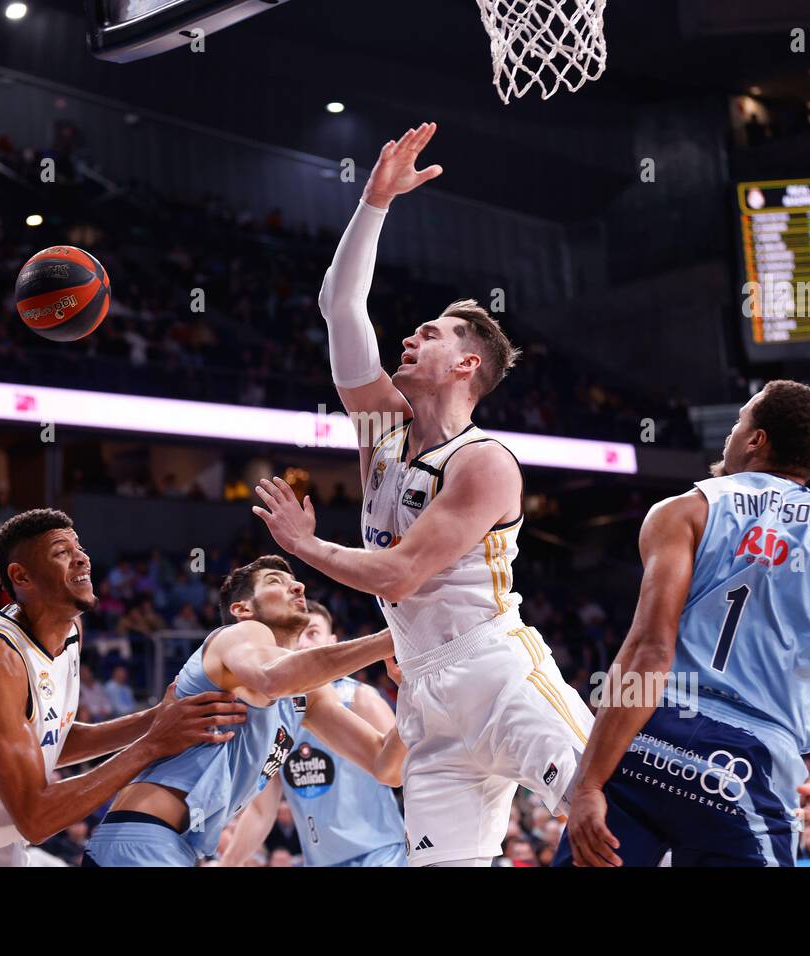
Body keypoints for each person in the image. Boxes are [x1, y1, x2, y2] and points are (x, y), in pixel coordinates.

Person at [252, 123, 594, 867]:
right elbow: (340, 307)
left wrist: (307, 547)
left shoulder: (485, 463)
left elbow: (401, 573)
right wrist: (374, 202)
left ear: (467, 363)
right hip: (427, 698)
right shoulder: (382, 431)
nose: (408, 339)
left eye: (428, 334)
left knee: (609, 822)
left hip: (499, 673)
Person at [560, 381, 810, 866]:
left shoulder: (685, 511)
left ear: (755, 440)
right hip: (748, 766)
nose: (731, 435)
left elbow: (648, 649)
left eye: (737, 423)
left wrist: (591, 782)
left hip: (649, 737)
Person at [0, 508, 246, 866]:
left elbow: (49, 741)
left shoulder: (70, 632)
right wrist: (153, 743)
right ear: (22, 577)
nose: (82, 557)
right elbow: (36, 818)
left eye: (80, 547)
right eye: (61, 552)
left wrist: (154, 719)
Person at [83, 556, 403, 867]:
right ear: (242, 609)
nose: (298, 587)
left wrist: (414, 688)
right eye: (276, 581)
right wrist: (394, 639)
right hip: (143, 837)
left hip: (177, 848)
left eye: (295, 581)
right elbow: (273, 678)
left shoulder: (309, 695)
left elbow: (386, 766)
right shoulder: (239, 635)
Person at [222, 600, 408, 867]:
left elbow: (406, 772)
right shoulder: (277, 716)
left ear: (333, 642)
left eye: (313, 634)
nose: (304, 644)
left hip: (381, 855)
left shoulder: (360, 697)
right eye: (297, 636)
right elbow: (262, 811)